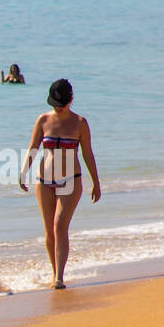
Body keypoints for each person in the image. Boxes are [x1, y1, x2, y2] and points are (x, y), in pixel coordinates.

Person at [21, 79, 101, 289]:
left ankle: (60, 277)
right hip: (44, 182)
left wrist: (96, 182)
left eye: (61, 103)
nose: (57, 107)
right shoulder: (43, 120)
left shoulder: (80, 123)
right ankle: (54, 271)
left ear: (71, 100)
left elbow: (87, 154)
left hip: (70, 181)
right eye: (54, 103)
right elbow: (33, 149)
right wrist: (23, 173)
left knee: (60, 226)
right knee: (49, 231)